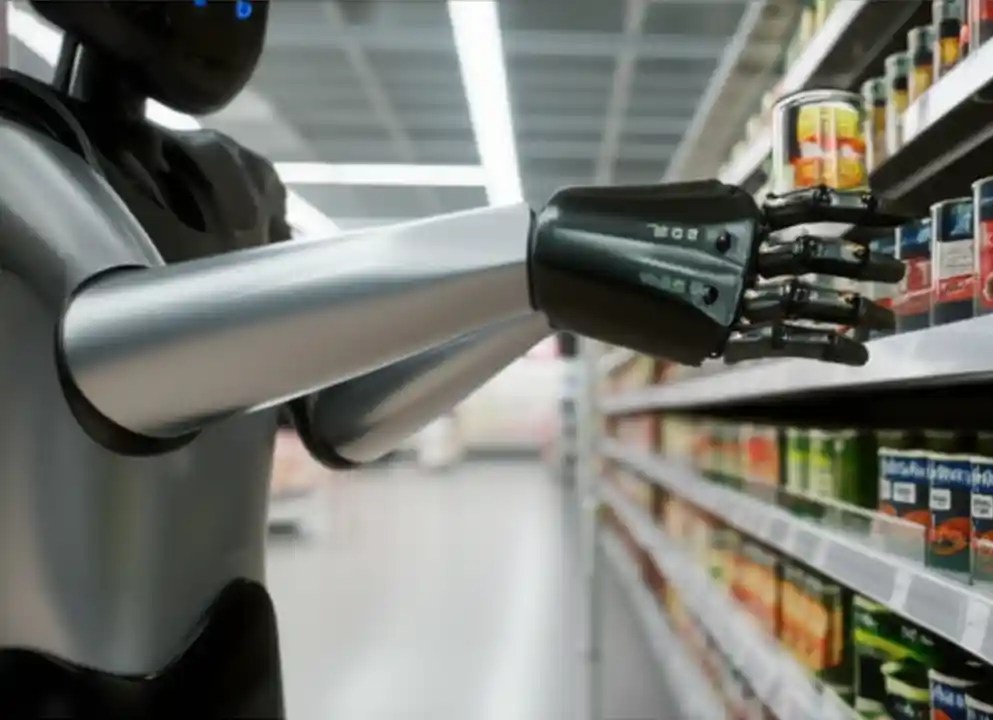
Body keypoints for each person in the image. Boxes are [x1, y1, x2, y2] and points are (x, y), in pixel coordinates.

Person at [0, 1, 902, 716]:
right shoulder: (17, 143)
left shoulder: (235, 181)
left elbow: (341, 420)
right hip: (50, 677)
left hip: (237, 649)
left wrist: (538, 297)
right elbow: (108, 347)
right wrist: (534, 251)